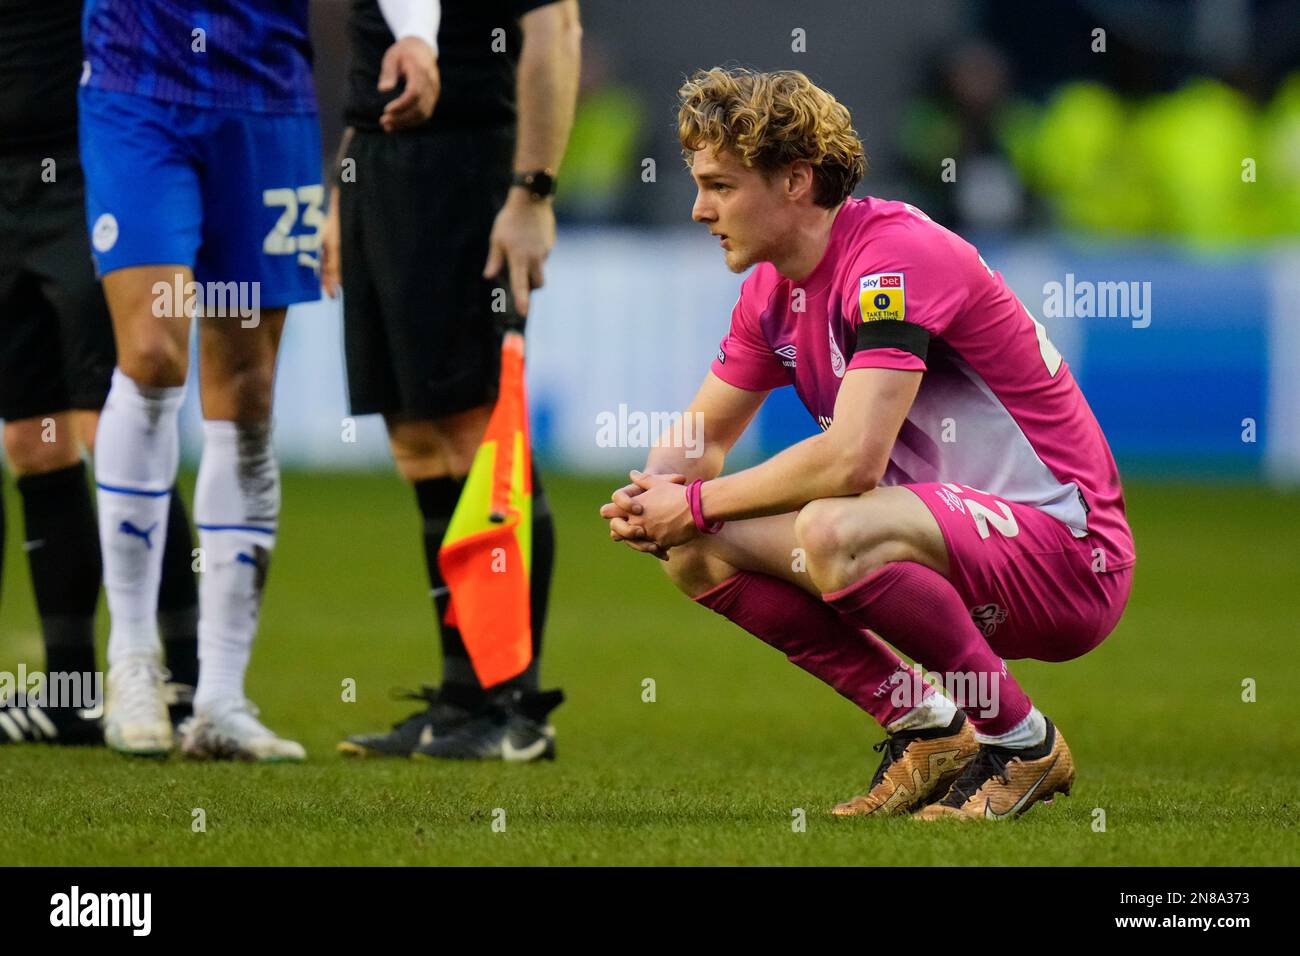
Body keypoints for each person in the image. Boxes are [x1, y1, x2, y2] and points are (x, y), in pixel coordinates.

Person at [602, 67, 1135, 820]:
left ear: (795, 179)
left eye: (719, 185)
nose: (699, 209)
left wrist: (693, 500)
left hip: (1070, 559)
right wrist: (649, 494)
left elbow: (851, 459)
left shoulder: (894, 259)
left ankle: (1023, 745)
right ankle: (929, 730)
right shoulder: (770, 292)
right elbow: (703, 433)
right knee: (695, 549)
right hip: (954, 545)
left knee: (831, 525)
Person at [324, 0, 580, 761]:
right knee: (418, 440)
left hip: (472, 168)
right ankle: (463, 697)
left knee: (479, 435)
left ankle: (516, 702)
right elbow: (377, 48)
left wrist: (532, 191)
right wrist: (346, 183)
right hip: (378, 164)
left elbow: (555, 32)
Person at [79, 0, 322, 759]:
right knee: (153, 353)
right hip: (137, 83)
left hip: (268, 95)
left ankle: (219, 697)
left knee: (247, 391)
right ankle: (132, 659)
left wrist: (414, 36)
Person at [0, 0, 199, 745]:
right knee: (32, 440)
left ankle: (183, 676)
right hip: (5, 188)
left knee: (112, 422)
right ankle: (70, 691)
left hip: (92, 168)